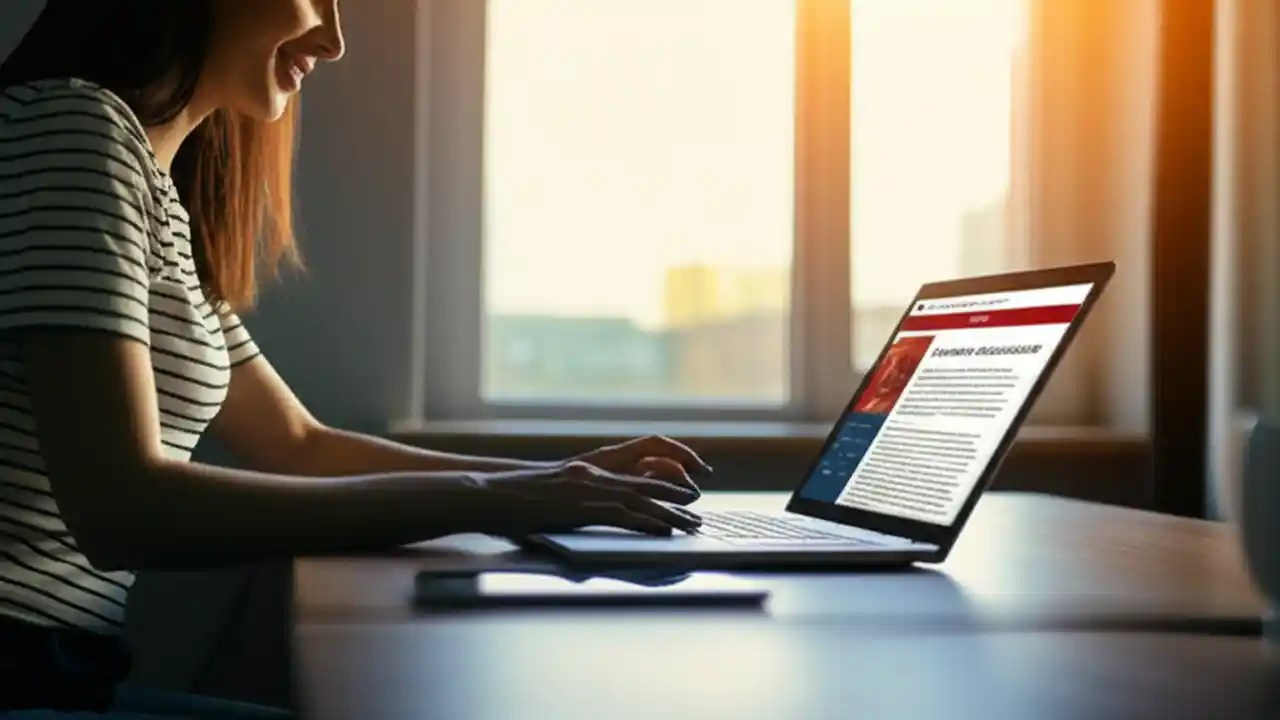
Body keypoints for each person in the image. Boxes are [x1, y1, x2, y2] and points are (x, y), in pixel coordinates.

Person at [0, 1, 706, 716]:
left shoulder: (150, 191)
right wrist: (499, 499)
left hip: (59, 672)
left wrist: (556, 481)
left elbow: (299, 444)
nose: (332, 41)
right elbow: (121, 508)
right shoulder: (73, 128)